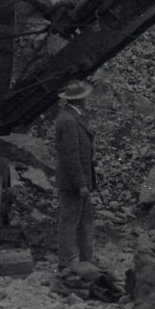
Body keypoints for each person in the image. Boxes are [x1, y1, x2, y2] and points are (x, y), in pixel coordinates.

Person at [54, 79, 97, 271]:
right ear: (79, 100)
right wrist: (81, 184)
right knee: (70, 222)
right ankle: (65, 264)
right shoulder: (68, 121)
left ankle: (86, 260)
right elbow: (70, 157)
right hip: (74, 183)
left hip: (81, 181)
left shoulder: (74, 117)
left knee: (84, 221)